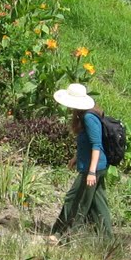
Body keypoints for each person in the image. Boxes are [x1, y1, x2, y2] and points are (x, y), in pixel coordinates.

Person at [51, 82, 111, 239]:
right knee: (98, 204)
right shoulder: (83, 115)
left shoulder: (89, 117)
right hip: (94, 166)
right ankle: (107, 239)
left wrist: (91, 172)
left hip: (94, 168)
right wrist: (75, 158)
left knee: (76, 198)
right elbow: (86, 143)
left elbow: (96, 145)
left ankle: (64, 234)